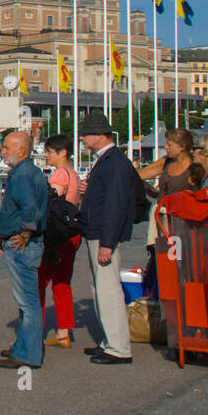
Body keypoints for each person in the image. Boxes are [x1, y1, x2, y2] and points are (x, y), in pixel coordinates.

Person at [77, 112, 138, 365]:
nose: (82, 138)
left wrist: (107, 242)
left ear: (99, 135)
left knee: (108, 289)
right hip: (99, 231)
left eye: (86, 134)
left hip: (103, 234)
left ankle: (118, 347)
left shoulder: (113, 162)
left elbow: (115, 205)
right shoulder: (109, 160)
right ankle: (108, 340)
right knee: (100, 288)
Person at [0, 130, 48, 370]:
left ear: (21, 151)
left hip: (22, 243)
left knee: (28, 301)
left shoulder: (23, 175)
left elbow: (30, 208)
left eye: (6, 147)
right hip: (16, 239)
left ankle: (28, 354)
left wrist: (25, 233)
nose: (2, 152)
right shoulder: (29, 172)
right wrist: (0, 233)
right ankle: (22, 347)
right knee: (25, 300)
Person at [40, 134, 82, 349]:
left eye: (49, 152)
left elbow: (50, 201)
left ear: (62, 153)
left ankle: (34, 331)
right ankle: (64, 331)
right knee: (63, 282)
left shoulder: (60, 174)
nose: (46, 155)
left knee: (40, 281)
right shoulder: (74, 174)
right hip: (72, 233)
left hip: (56, 235)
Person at [139, 129, 204, 249]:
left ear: (182, 147)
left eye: (169, 144)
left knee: (178, 259)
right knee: (159, 256)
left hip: (182, 223)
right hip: (161, 219)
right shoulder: (166, 161)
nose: (165, 146)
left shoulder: (194, 168)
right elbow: (139, 175)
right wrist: (149, 190)